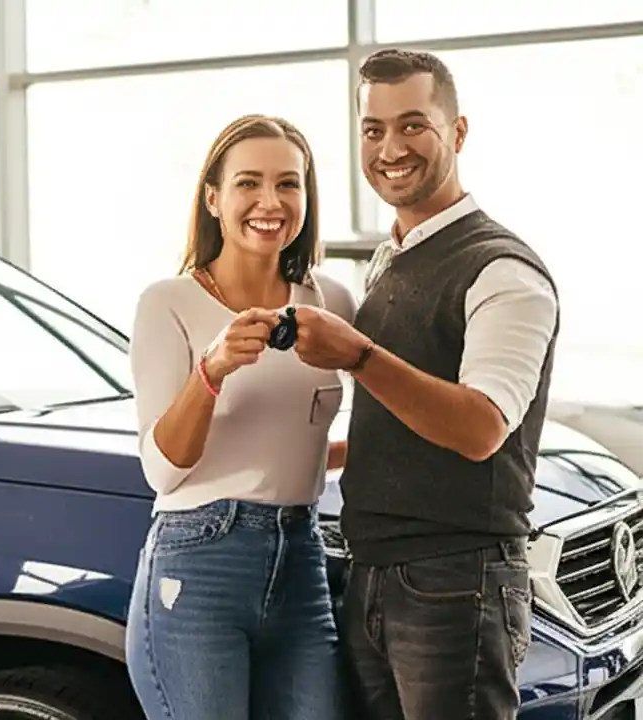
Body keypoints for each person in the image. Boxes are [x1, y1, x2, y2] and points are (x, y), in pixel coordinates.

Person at [289, 48, 560, 719]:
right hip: (374, 575)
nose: (390, 148)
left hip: (456, 584)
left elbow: (477, 429)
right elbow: (406, 422)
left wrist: (356, 355)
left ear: (458, 132)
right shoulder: (393, 258)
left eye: (413, 125)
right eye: (373, 129)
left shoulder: (503, 272)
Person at [124, 113, 355, 720]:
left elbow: (296, 442)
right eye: (248, 183)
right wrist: (212, 369)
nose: (270, 201)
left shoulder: (331, 301)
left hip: (301, 555)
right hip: (200, 563)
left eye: (288, 183)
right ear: (213, 199)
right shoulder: (167, 303)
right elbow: (161, 469)